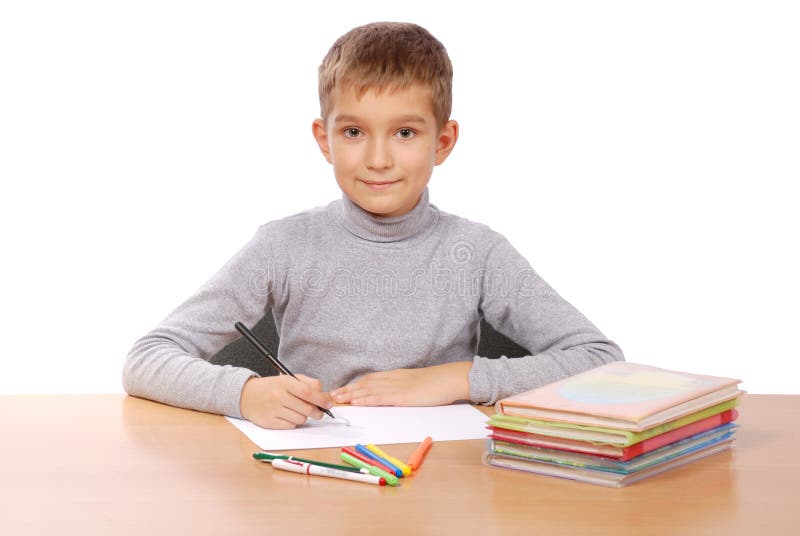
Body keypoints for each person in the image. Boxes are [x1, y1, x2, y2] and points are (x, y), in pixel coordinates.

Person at [123, 22, 623, 430]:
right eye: (355, 132)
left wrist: (457, 379)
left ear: (443, 142)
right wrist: (245, 392)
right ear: (325, 140)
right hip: (311, 478)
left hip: (441, 477)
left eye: (405, 132)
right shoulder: (284, 246)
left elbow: (600, 359)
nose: (378, 158)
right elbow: (147, 358)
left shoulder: (478, 252)